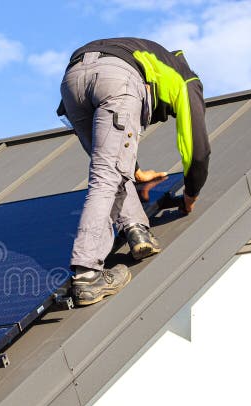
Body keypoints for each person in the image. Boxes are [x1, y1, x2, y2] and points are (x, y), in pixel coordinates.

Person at [57, 37, 210, 306]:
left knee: (111, 170)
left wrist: (137, 172)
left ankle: (136, 229)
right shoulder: (186, 80)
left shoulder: (154, 59)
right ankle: (87, 274)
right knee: (106, 179)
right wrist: (191, 193)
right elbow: (197, 149)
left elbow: (111, 151)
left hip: (71, 82)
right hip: (117, 79)